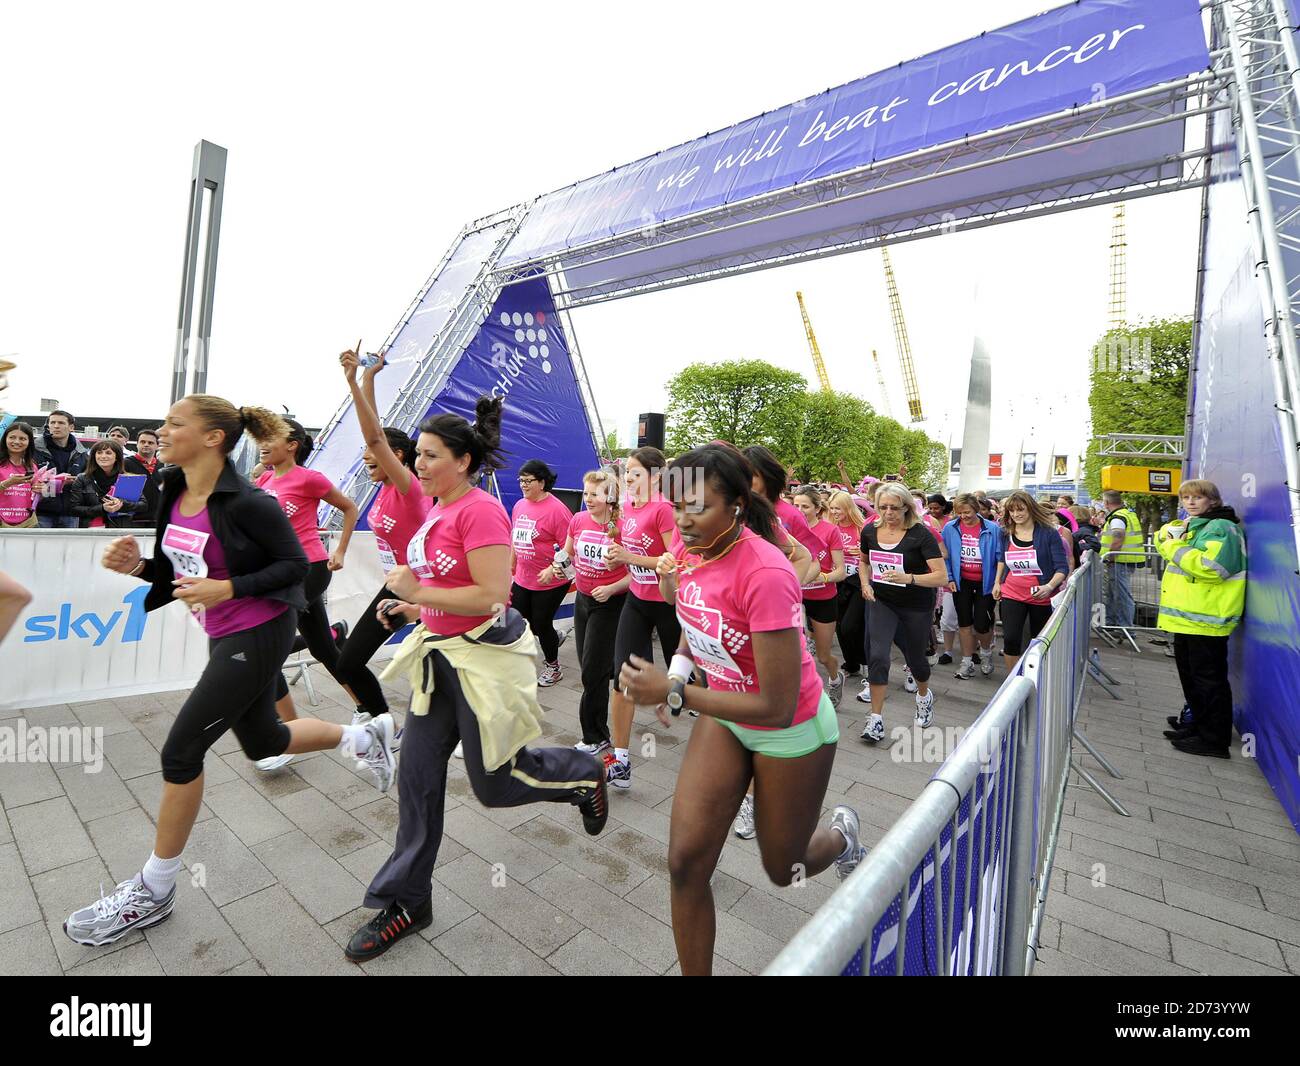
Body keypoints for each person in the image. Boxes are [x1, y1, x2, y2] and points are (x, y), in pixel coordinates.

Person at [63, 395, 395, 946]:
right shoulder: (172, 487)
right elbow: (179, 572)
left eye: (175, 423)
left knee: (180, 752)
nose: (162, 430)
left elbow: (295, 568)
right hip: (220, 632)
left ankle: (155, 888)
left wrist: (230, 588)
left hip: (260, 632)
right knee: (265, 739)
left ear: (214, 438)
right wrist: (140, 567)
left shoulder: (251, 502)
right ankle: (367, 735)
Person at [343, 396, 608, 961]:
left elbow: (490, 594)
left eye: (430, 455)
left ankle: (584, 772)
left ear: (462, 461)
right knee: (417, 780)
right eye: (418, 454)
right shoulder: (437, 506)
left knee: (494, 785)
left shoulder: (480, 510)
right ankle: (410, 902)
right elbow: (445, 584)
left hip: (484, 662)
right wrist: (415, 611)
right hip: (439, 657)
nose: (418, 463)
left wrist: (417, 593)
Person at [619, 443, 865, 976]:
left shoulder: (766, 572)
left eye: (696, 507)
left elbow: (774, 706)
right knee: (685, 865)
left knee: (784, 867)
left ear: (735, 504)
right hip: (725, 713)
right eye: (674, 505)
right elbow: (699, 626)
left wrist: (672, 693)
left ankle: (844, 835)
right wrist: (681, 672)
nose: (680, 521)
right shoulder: (692, 549)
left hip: (789, 728)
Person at [256, 417, 386, 769]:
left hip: (308, 570)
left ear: (293, 443)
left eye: (270, 438)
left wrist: (340, 550)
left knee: (264, 651)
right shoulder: (266, 478)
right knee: (324, 649)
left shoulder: (309, 478)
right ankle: (370, 711)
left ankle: (289, 738)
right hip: (279, 574)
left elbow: (349, 508)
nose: (262, 443)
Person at [335, 349, 433, 731]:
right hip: (396, 587)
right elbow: (377, 433)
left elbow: (375, 436)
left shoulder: (410, 487)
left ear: (397, 456)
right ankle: (382, 722)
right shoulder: (384, 485)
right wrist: (369, 378)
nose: (365, 459)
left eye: (373, 456)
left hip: (424, 589)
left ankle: (461, 731)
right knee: (348, 662)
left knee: (443, 669)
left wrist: (353, 382)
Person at [604, 447, 681, 791]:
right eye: (626, 474)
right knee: (622, 676)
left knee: (690, 682)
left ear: (655, 475)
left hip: (668, 604)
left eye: (635, 473)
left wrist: (628, 555)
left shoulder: (664, 508)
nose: (629, 479)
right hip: (637, 600)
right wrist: (614, 554)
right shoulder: (627, 508)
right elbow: (626, 549)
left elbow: (671, 561)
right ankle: (620, 758)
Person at [1157, 480, 1246, 759]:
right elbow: (1165, 543)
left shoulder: (1221, 528)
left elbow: (1212, 568)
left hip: (1206, 619)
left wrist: (1173, 546)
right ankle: (1197, 726)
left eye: (1198, 497)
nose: (1191, 503)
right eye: (1186, 498)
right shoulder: (1197, 526)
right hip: (1190, 618)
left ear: (1213, 500)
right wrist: (1171, 538)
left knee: (1209, 681)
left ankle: (1214, 740)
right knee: (1193, 679)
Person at [542, 468, 629, 753]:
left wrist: (613, 589)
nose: (588, 499)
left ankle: (595, 736)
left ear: (610, 497)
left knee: (592, 672)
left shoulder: (621, 527)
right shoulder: (578, 520)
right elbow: (567, 554)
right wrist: (555, 568)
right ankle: (617, 674)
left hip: (609, 603)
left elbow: (637, 572)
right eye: (587, 493)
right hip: (583, 600)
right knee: (590, 667)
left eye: (595, 494)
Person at [857, 483, 947, 742]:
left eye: (894, 508)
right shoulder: (870, 531)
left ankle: (923, 696)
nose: (888, 513)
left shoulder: (921, 535)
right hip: (882, 600)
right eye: (882, 507)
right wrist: (865, 584)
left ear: (906, 507)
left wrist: (907, 578)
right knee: (877, 654)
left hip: (916, 605)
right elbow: (864, 562)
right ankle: (875, 719)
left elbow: (941, 576)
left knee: (916, 658)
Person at [510, 458, 575, 686]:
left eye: (529, 481)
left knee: (540, 623)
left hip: (552, 579)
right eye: (521, 481)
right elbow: (514, 539)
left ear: (543, 482)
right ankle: (554, 638)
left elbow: (571, 547)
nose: (524, 485)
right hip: (523, 576)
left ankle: (553, 667)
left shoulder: (557, 510)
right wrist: (511, 565)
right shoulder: (520, 505)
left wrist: (552, 568)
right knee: (517, 619)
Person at [993, 490, 1069, 671]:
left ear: (1030, 509)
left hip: (1040, 595)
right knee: (1011, 638)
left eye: (1021, 510)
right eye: (1012, 511)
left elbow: (1062, 568)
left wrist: (1049, 586)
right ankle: (1013, 680)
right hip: (1012, 592)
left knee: (1037, 640)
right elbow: (1003, 559)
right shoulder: (1006, 533)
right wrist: (997, 583)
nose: (1016, 514)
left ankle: (1035, 676)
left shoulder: (1048, 534)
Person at [792, 485, 846, 704]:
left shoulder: (829, 530)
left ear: (817, 508)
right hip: (795, 597)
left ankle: (834, 679)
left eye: (805, 506)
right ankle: (799, 692)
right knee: (792, 649)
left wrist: (821, 578)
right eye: (795, 505)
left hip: (823, 597)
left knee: (823, 656)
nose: (799, 510)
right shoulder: (787, 528)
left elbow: (841, 571)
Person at [940, 493, 1001, 680]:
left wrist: (997, 582)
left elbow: (1000, 556)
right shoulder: (950, 528)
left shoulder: (992, 528)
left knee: (982, 623)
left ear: (976, 509)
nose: (964, 516)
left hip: (985, 582)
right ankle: (967, 661)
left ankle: (985, 653)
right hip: (961, 581)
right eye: (959, 513)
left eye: (967, 512)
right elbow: (946, 556)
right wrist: (949, 578)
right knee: (964, 622)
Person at [827, 489, 866, 686]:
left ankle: (865, 660)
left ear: (848, 508)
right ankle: (852, 664)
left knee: (852, 625)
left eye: (838, 508)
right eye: (832, 508)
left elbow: (873, 554)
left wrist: (860, 552)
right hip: (838, 581)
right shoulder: (830, 527)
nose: (834, 512)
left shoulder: (861, 528)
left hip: (859, 581)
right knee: (841, 627)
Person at [67, 440, 148, 528]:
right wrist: (102, 508)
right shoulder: (82, 478)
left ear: (117, 456)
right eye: (99, 453)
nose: (103, 456)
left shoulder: (128, 479)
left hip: (122, 529)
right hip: (92, 530)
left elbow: (143, 505)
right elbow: (73, 509)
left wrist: (121, 504)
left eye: (108, 453)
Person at [34, 410, 88, 528]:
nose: (56, 426)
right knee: (42, 546)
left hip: (70, 513)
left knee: (69, 547)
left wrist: (77, 481)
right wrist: (57, 482)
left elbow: (87, 480)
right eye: (52, 422)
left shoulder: (82, 453)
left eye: (61, 423)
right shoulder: (34, 450)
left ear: (71, 427)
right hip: (42, 512)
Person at [1101, 489, 1143, 628]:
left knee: (1121, 595)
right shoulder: (1127, 514)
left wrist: (1110, 558)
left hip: (1119, 561)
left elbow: (1118, 539)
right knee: (1116, 594)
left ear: (1106, 503)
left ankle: (1124, 627)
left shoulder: (1117, 518)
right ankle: (1114, 624)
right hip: (1125, 560)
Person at [1, 421, 40, 528]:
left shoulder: (32, 466)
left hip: (27, 524)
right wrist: (7, 483)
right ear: (5, 439)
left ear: (29, 442)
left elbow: (35, 496)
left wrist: (42, 490)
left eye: (22, 439)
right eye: (12, 437)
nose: (16, 442)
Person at [125, 428, 165, 527]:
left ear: (157, 446)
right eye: (142, 442)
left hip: (158, 519)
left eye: (150, 442)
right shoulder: (125, 463)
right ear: (137, 444)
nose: (146, 444)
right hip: (133, 519)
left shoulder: (164, 466)